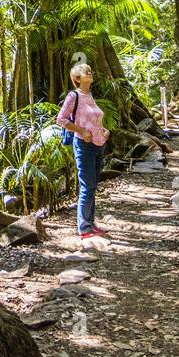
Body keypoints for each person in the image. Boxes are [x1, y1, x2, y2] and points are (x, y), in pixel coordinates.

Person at [56, 62, 110, 238]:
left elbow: (95, 120)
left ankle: (90, 223)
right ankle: (84, 227)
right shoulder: (74, 96)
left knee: (93, 186)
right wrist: (81, 131)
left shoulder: (90, 95)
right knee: (87, 186)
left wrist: (103, 130)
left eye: (90, 70)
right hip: (84, 145)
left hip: (98, 144)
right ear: (77, 79)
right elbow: (61, 119)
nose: (89, 72)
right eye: (85, 71)